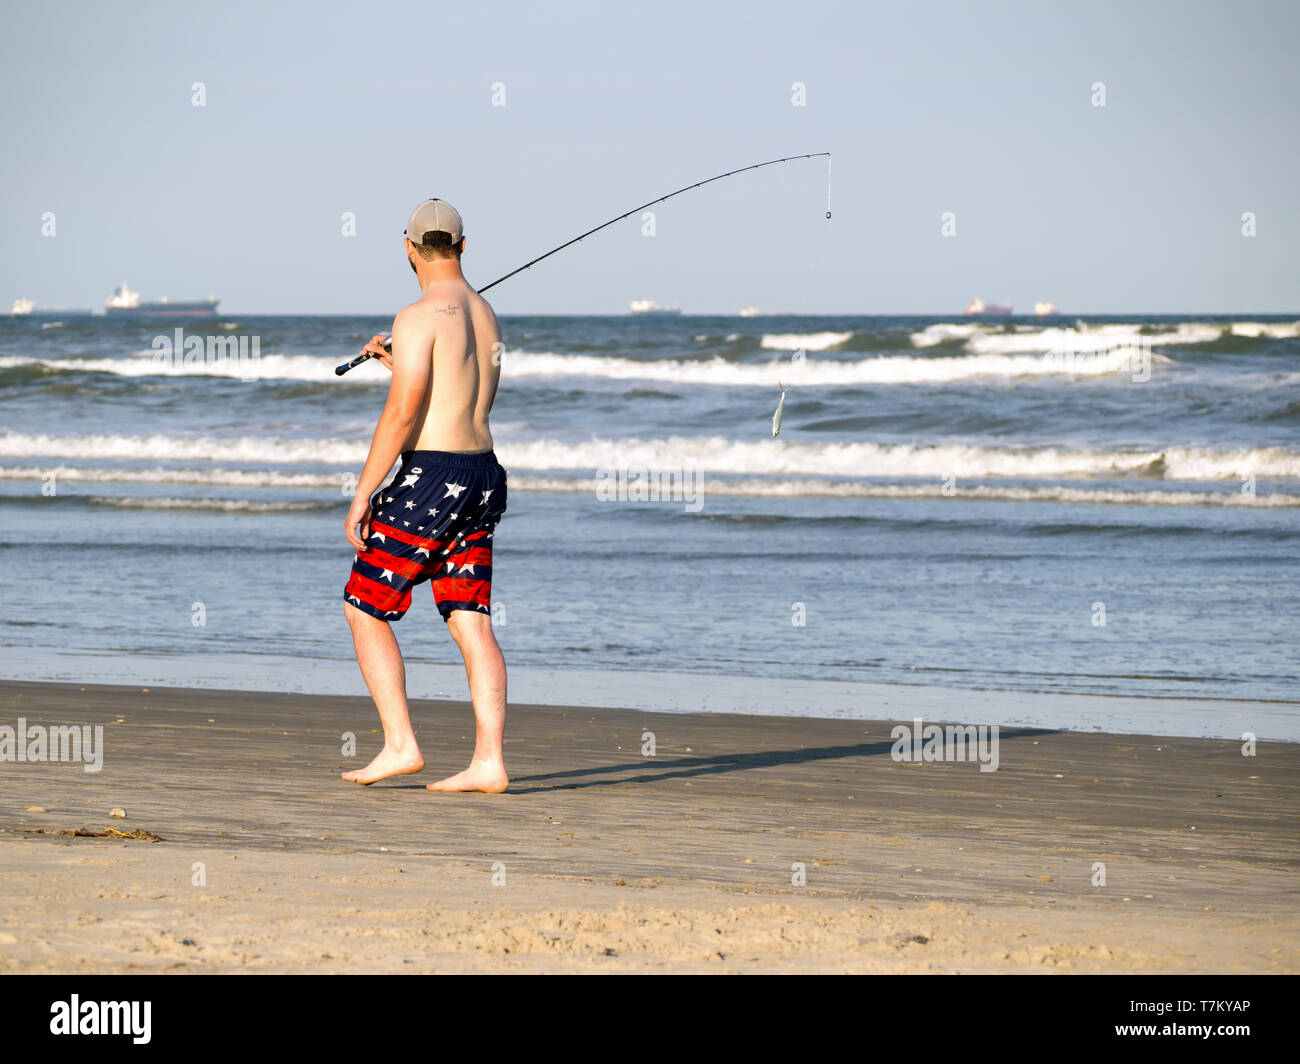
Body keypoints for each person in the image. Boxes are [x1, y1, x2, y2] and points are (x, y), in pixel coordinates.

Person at [341, 198, 509, 793]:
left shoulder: (416, 315)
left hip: (433, 477)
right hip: (482, 473)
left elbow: (405, 412)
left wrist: (364, 491)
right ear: (463, 246)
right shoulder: (486, 312)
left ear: (408, 248)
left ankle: (400, 745)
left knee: (364, 604)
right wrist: (399, 362)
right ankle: (488, 762)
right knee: (470, 616)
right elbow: (463, 399)